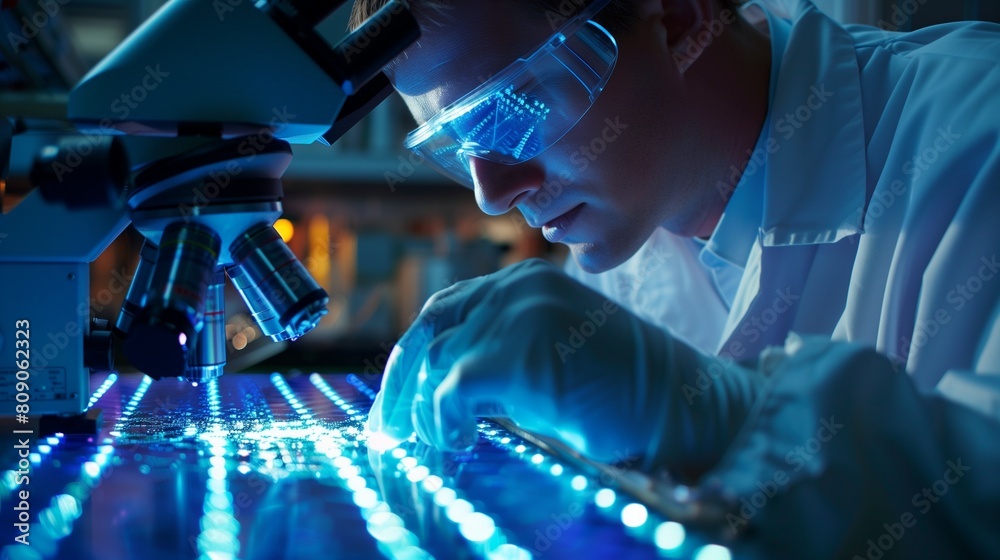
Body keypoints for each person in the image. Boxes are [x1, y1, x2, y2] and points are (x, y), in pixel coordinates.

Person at [354, 0, 1000, 556]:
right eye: (456, 147)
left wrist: (721, 420)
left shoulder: (977, 137)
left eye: (511, 113)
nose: (491, 194)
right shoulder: (622, 248)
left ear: (678, 18)